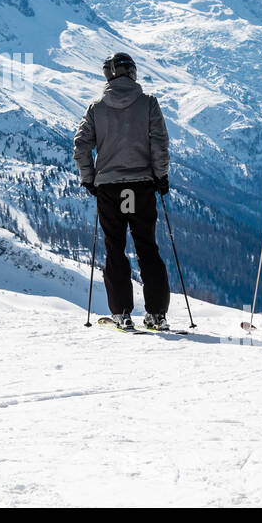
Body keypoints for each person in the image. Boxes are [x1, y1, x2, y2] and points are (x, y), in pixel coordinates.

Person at [73, 52, 172, 330]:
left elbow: (81, 146)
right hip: (142, 186)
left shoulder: (96, 108)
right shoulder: (149, 104)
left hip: (109, 189)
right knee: (147, 248)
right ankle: (156, 314)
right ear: (132, 73)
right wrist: (160, 176)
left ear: (109, 75)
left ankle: (121, 312)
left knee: (114, 249)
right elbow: (160, 144)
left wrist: (89, 179)